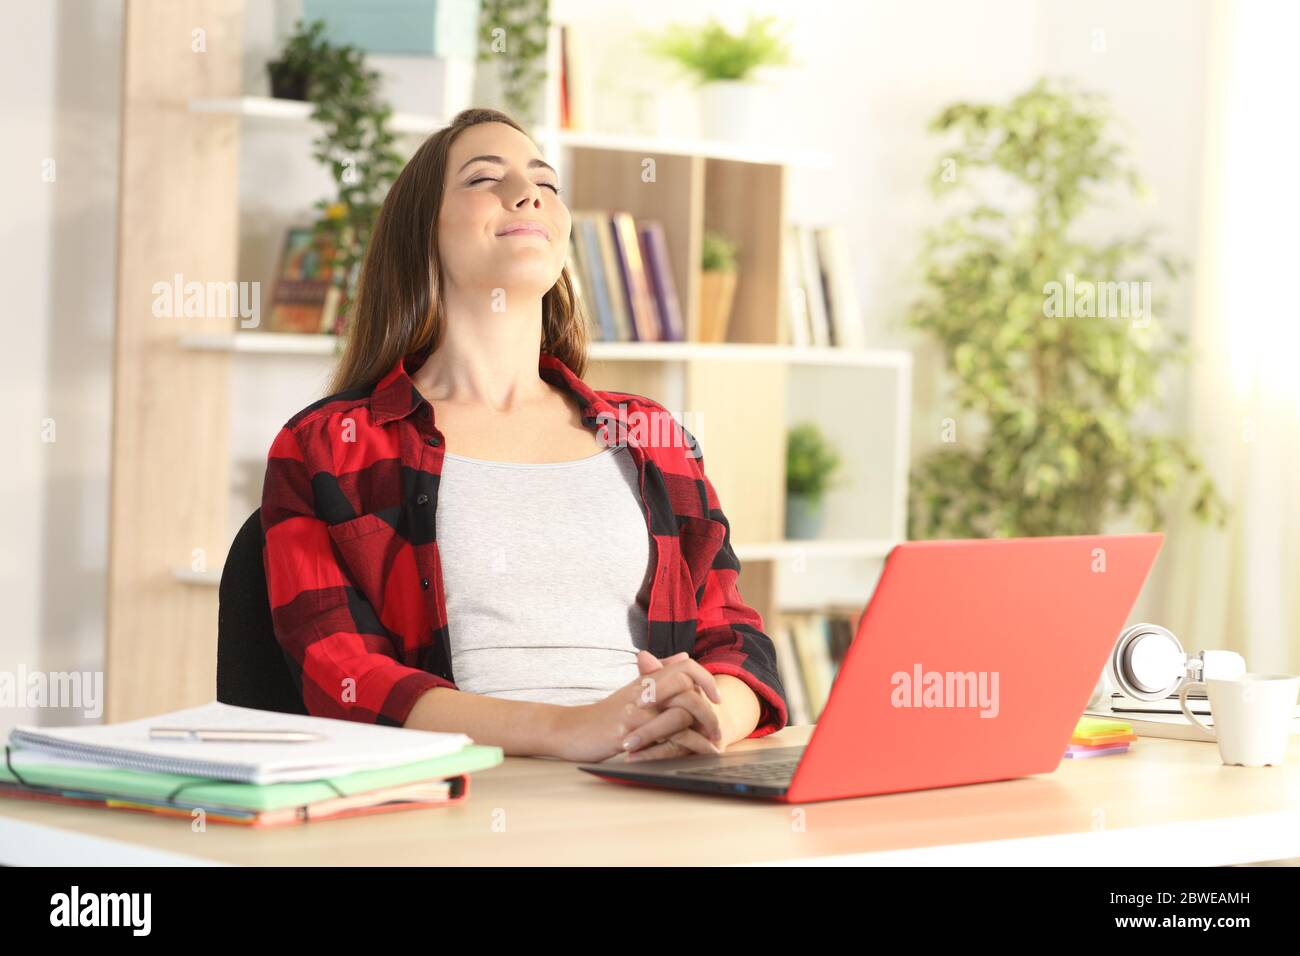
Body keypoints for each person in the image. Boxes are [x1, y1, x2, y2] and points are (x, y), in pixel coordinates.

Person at [260, 107, 787, 764]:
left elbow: (735, 634)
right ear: (423, 231)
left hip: (663, 779)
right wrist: (571, 730)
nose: (528, 191)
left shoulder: (652, 435)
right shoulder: (329, 445)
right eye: (484, 178)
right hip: (468, 797)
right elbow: (342, 675)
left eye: (546, 180)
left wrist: (713, 714)